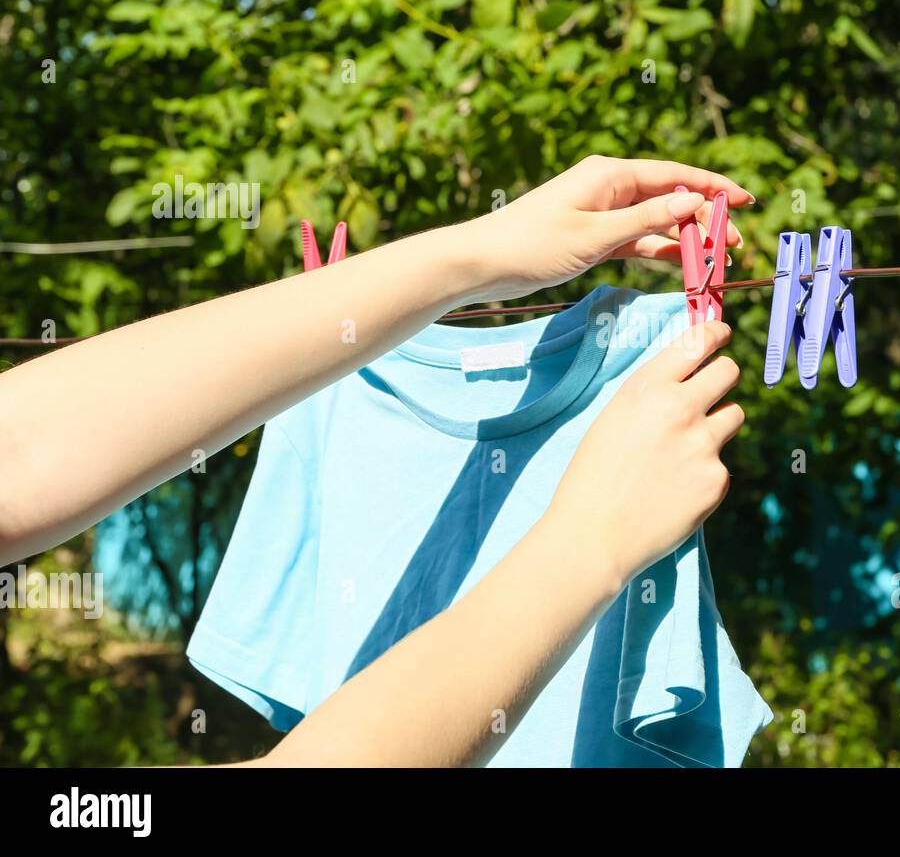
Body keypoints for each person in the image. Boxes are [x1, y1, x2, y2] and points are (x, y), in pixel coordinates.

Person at [0, 155, 753, 766]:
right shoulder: (332, 409)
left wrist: (476, 253)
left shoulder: (650, 373)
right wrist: (590, 542)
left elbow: (21, 452)